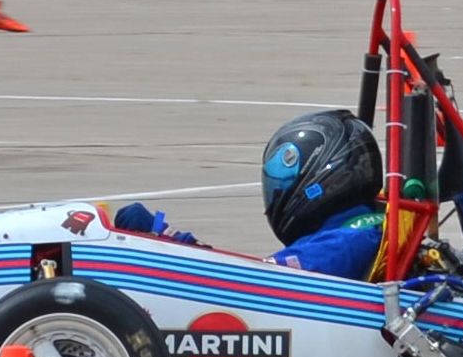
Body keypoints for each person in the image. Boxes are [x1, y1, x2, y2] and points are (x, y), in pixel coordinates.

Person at [114, 109, 385, 280]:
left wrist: (166, 241)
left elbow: (249, 283)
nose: (278, 193)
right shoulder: (361, 228)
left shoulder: (344, 243)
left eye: (283, 183)